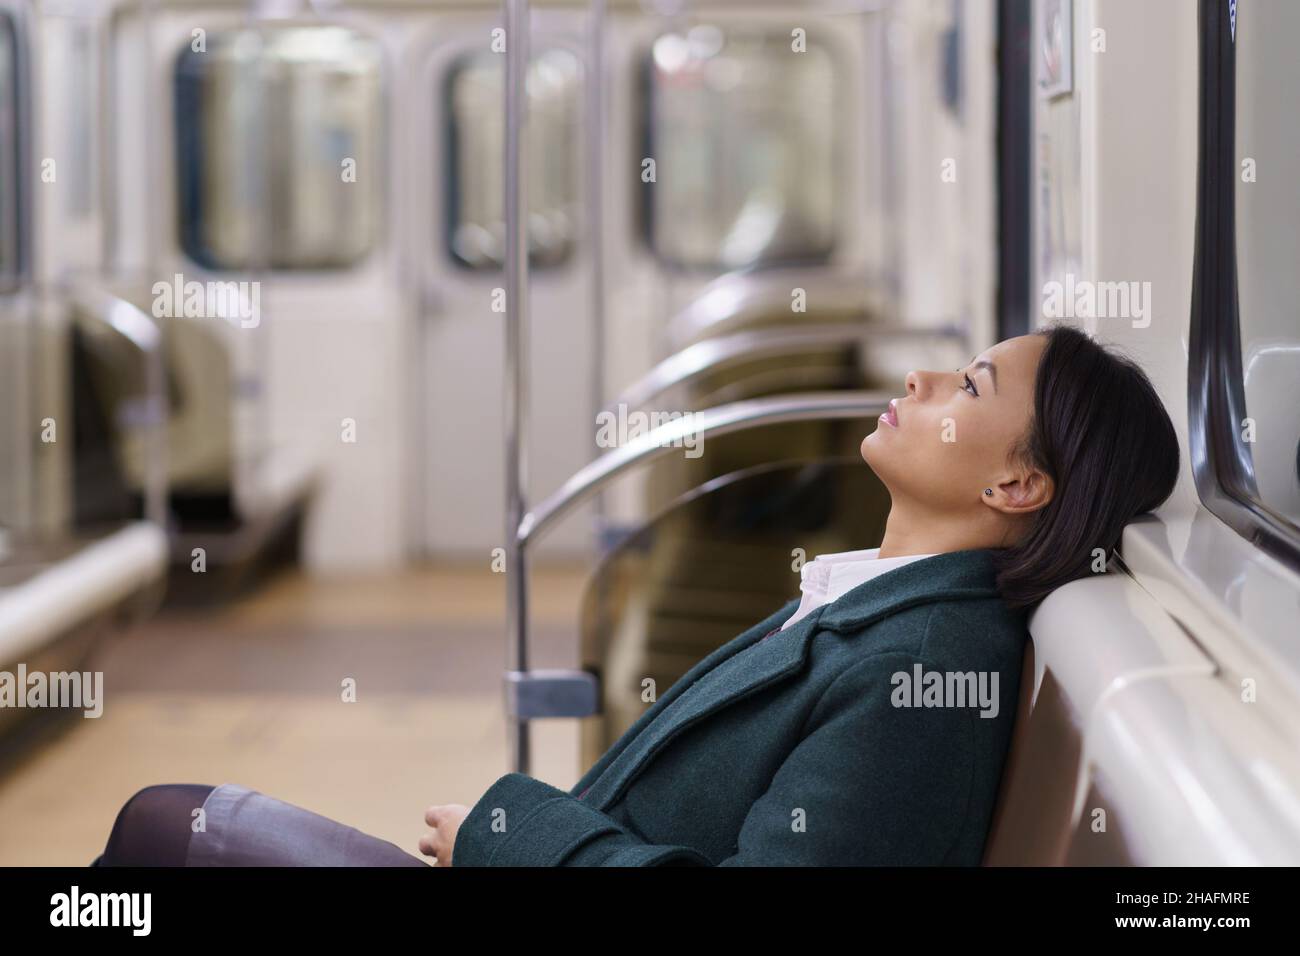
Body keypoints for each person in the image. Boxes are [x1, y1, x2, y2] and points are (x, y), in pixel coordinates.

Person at [92, 323, 1180, 866]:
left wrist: (512, 832)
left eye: (969, 386)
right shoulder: (881, 601)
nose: (920, 379)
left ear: (1014, 482)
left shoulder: (926, 666)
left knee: (165, 826)